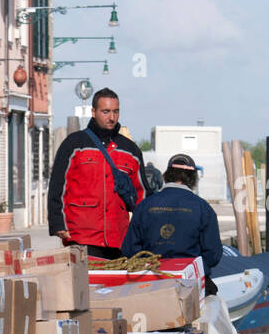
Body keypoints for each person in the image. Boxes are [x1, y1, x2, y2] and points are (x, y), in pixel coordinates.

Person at [46, 88, 148, 259]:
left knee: (114, 285)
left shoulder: (131, 150)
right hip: (81, 235)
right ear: (93, 112)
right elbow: (58, 186)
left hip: (118, 238)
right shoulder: (74, 144)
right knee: (86, 284)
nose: (112, 117)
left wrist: (145, 229)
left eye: (116, 112)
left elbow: (142, 194)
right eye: (105, 111)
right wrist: (58, 223)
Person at [120, 153, 222, 292]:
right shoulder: (204, 208)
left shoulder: (144, 206)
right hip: (190, 281)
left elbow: (130, 249)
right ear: (193, 179)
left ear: (167, 175)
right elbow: (213, 254)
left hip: (150, 281)